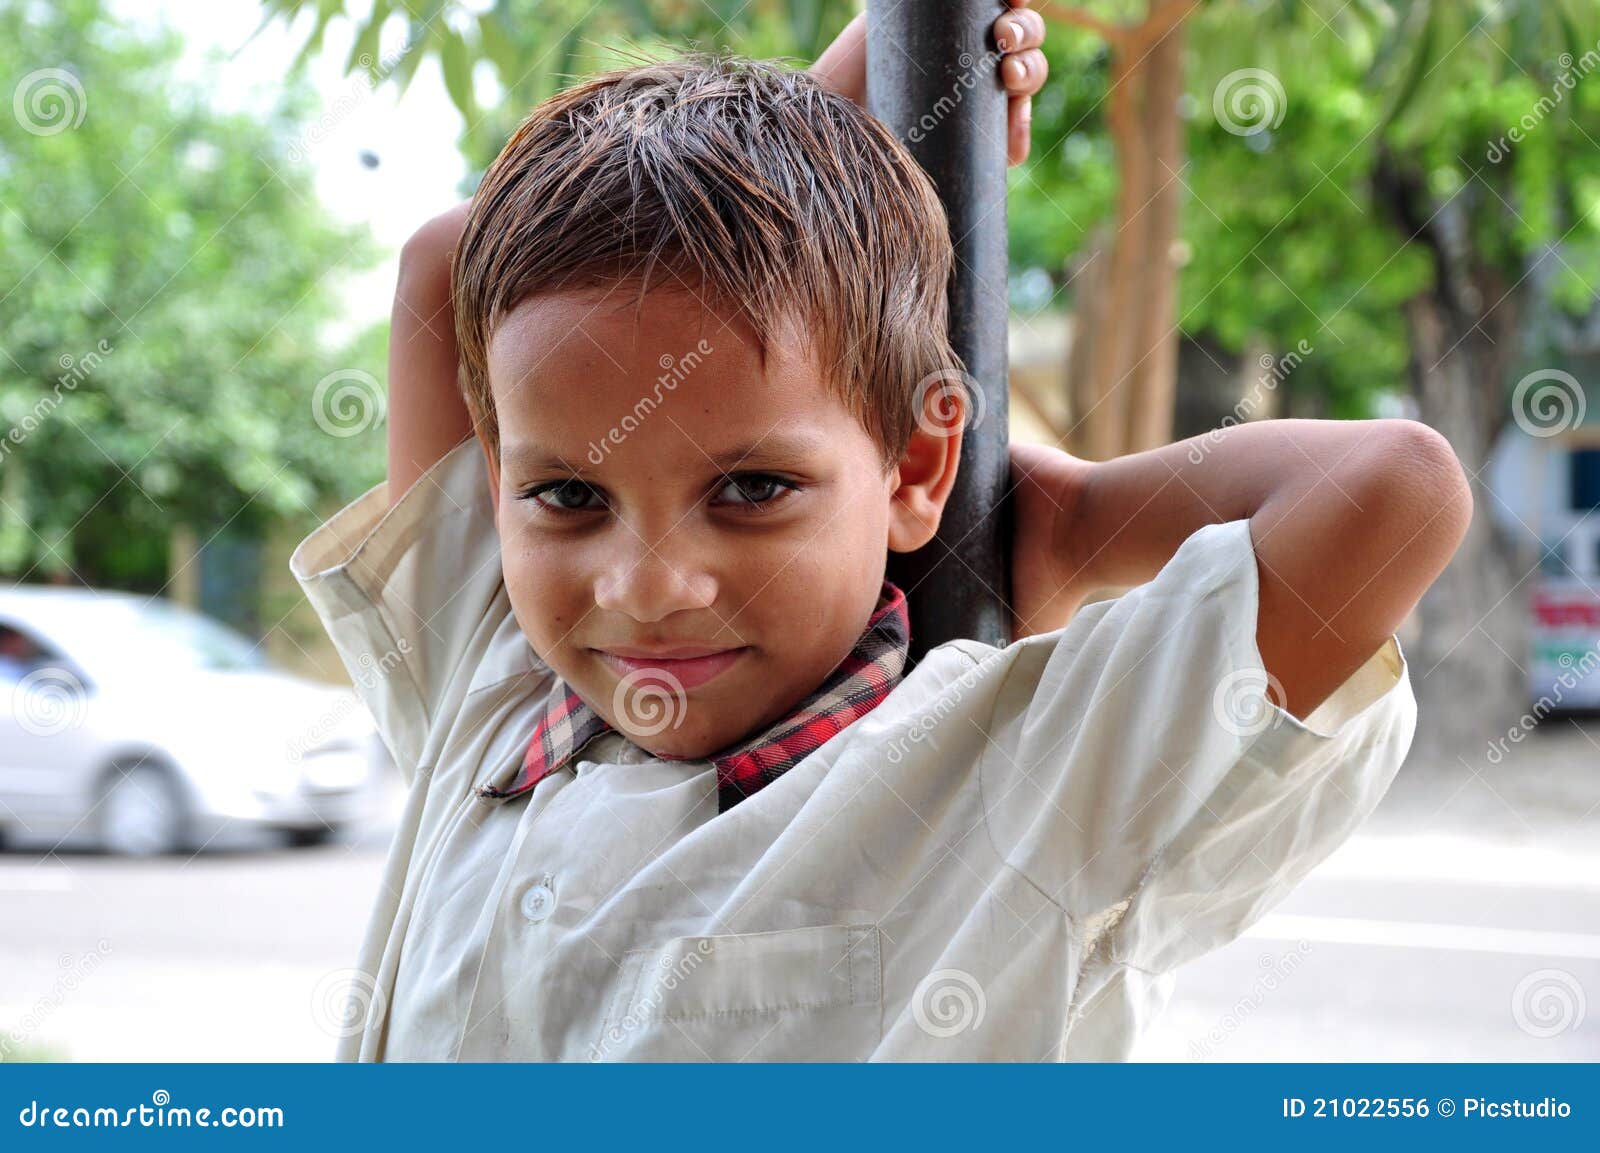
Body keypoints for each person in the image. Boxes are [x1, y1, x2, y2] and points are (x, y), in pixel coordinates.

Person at [290, 3, 1469, 1060]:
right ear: (498, 482)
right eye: (568, 496)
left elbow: (1393, 489)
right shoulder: (485, 690)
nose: (647, 589)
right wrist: (836, 127)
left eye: (750, 489)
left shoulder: (1018, 775)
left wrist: (1059, 521)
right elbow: (448, 268)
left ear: (915, 463)